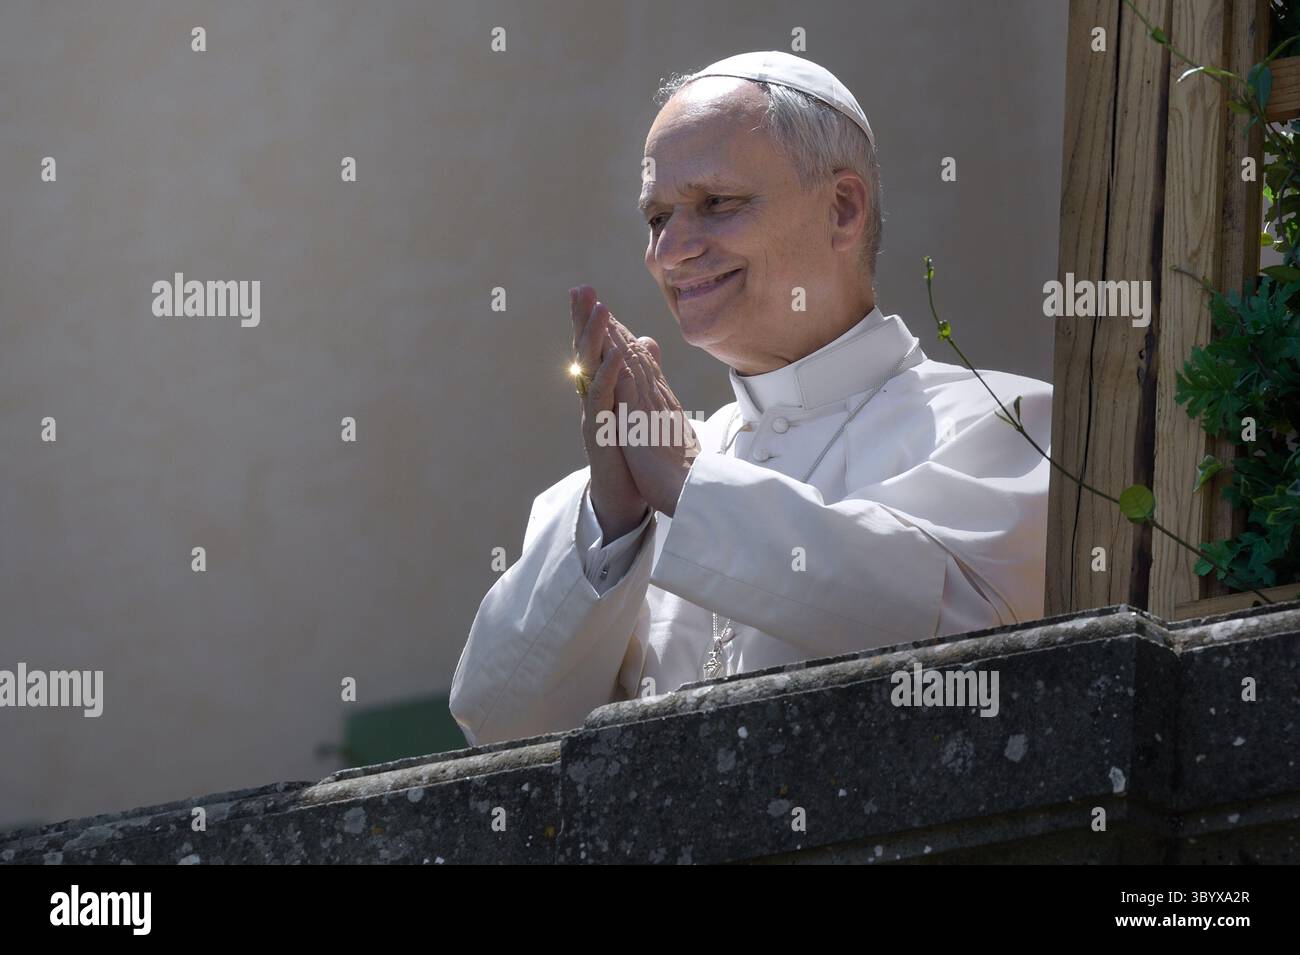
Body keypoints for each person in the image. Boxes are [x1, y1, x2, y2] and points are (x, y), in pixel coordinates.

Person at [449, 51, 1052, 747]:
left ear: (843, 208)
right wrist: (615, 522)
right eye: (656, 218)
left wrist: (690, 484)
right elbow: (495, 726)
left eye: (715, 204)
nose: (671, 249)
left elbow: (959, 644)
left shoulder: (1006, 425)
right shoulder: (628, 486)